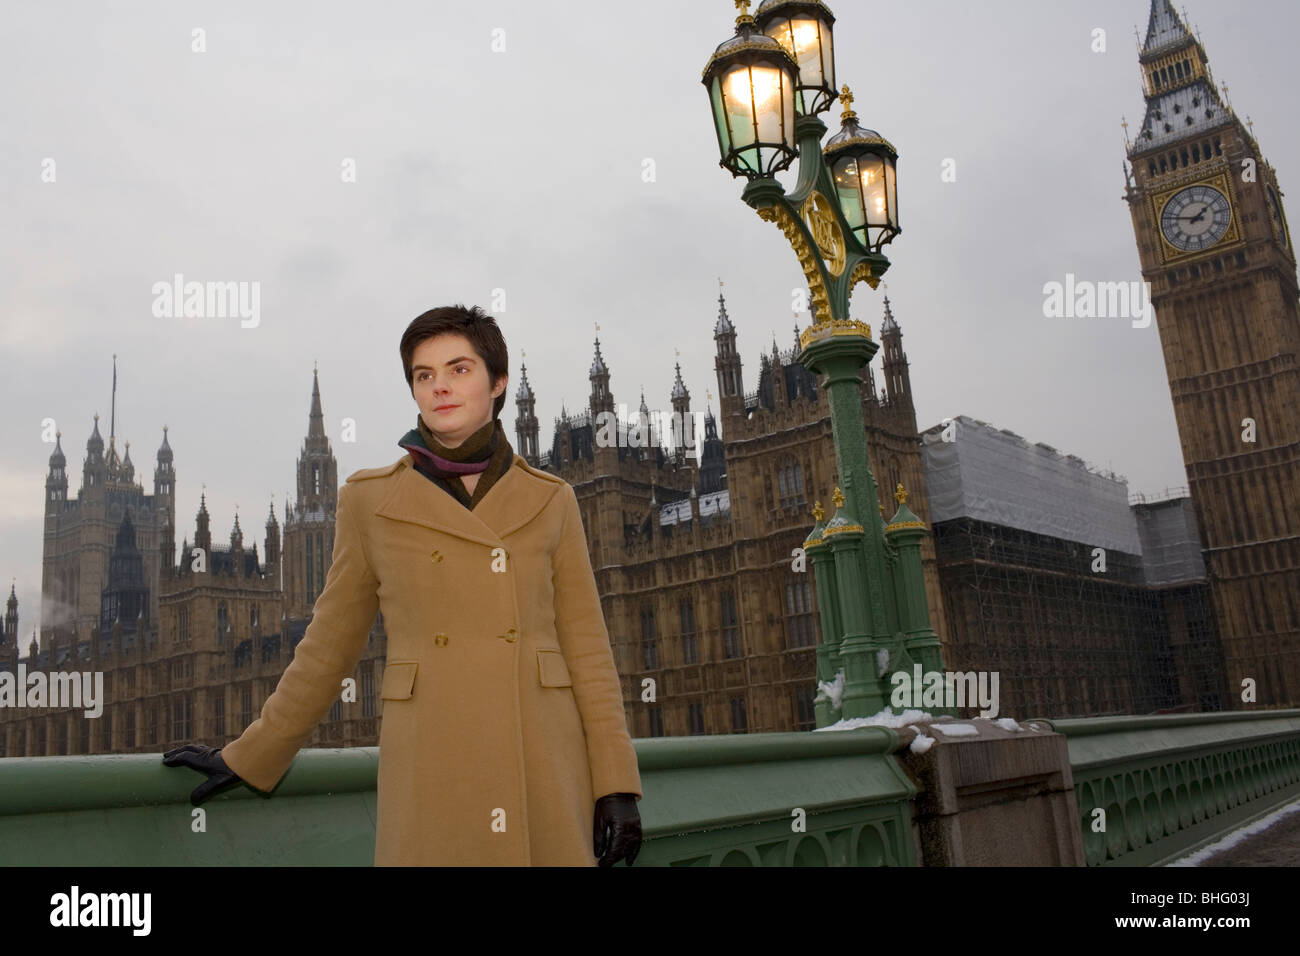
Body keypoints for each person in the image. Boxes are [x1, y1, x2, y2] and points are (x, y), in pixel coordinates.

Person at [164, 304, 643, 866]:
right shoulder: (370, 501)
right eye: (423, 375)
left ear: (498, 383)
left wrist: (615, 782)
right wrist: (250, 755)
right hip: (431, 763)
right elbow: (327, 648)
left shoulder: (552, 498)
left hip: (541, 764)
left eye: (458, 369)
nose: (439, 387)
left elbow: (588, 651)